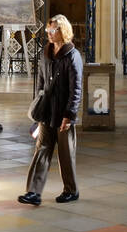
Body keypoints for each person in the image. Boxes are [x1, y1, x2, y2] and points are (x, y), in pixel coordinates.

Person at [18, 14, 83, 205]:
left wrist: (69, 114)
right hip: (47, 111)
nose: (49, 34)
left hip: (63, 112)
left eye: (52, 30)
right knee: (42, 150)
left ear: (62, 31)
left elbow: (76, 88)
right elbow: (40, 82)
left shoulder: (72, 55)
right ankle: (33, 193)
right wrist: (39, 104)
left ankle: (71, 190)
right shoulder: (46, 52)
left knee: (65, 153)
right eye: (48, 30)